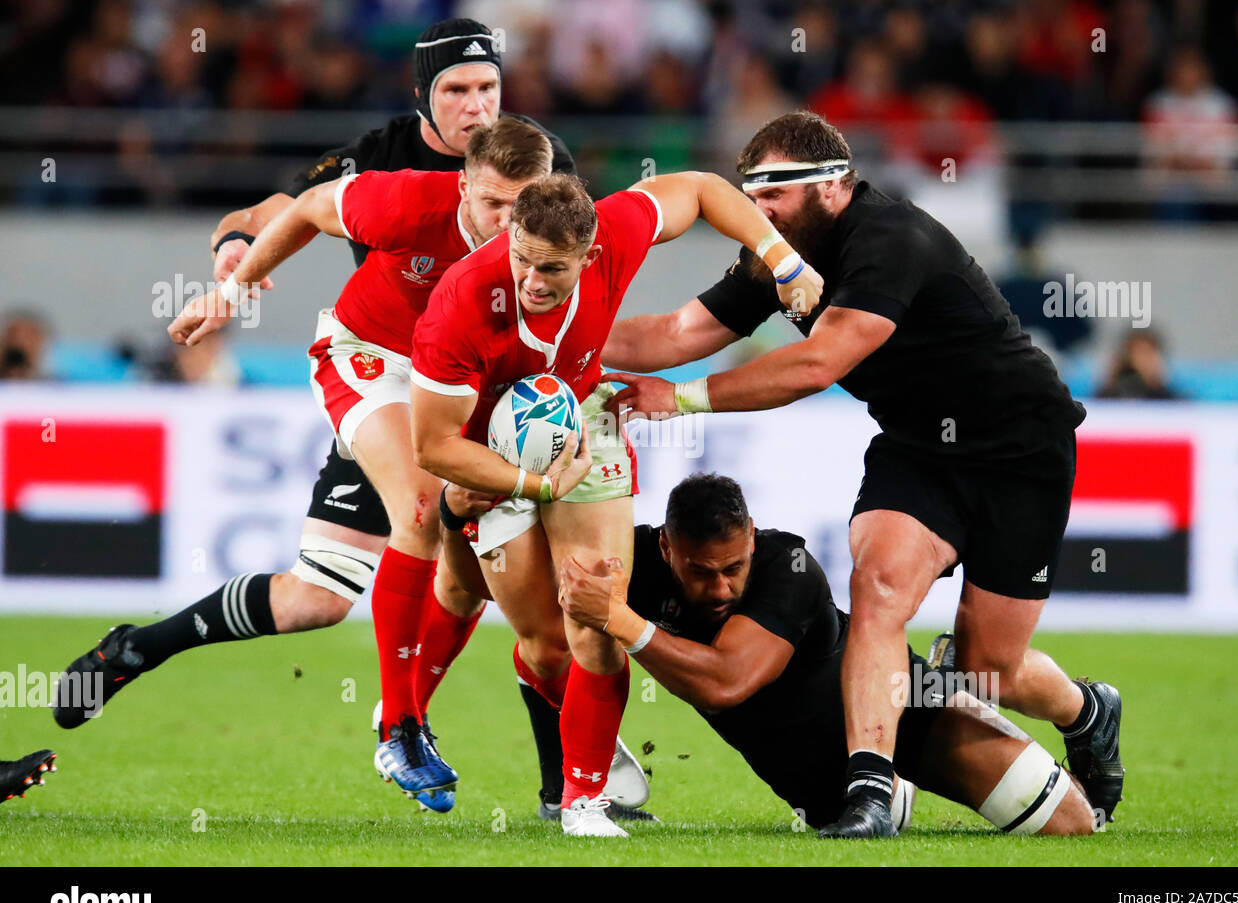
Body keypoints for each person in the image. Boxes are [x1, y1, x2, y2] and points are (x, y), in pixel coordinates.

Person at [49, 18, 597, 820]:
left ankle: (139, 647)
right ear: (424, 96)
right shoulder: (395, 177)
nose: (476, 106)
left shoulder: (543, 171)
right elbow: (298, 205)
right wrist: (235, 265)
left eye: (488, 88)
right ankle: (406, 727)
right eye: (456, 90)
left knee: (324, 597)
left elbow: (602, 255)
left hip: (467, 383)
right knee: (426, 511)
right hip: (377, 362)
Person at [600, 111, 1123, 839]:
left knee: (988, 667)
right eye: (752, 194)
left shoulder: (891, 238)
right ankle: (870, 792)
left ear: (835, 185)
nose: (760, 212)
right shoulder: (778, 255)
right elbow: (677, 332)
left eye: (774, 193)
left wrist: (681, 399)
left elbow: (820, 362)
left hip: (1021, 452)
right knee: (876, 591)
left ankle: (1085, 709)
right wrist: (558, 338)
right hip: (919, 448)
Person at [408, 171, 823, 836]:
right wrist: (538, 486)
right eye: (522, 260)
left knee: (599, 617)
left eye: (553, 270)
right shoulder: (460, 302)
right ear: (509, 234)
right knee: (547, 647)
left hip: (584, 423)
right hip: (493, 450)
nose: (534, 282)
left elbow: (704, 188)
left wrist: (782, 256)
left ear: (591, 257)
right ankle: (439, 715)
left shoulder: (620, 229)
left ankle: (584, 801)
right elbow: (431, 446)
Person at [547, 474, 1097, 835]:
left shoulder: (790, 568)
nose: (719, 589)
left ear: (753, 541)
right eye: (700, 572)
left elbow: (725, 684)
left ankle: (1086, 705)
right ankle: (893, 788)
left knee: (1071, 825)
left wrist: (619, 620)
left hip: (901, 714)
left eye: (732, 569)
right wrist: (458, 513)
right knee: (861, 828)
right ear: (666, 547)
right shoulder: (633, 563)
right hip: (816, 783)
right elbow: (536, 620)